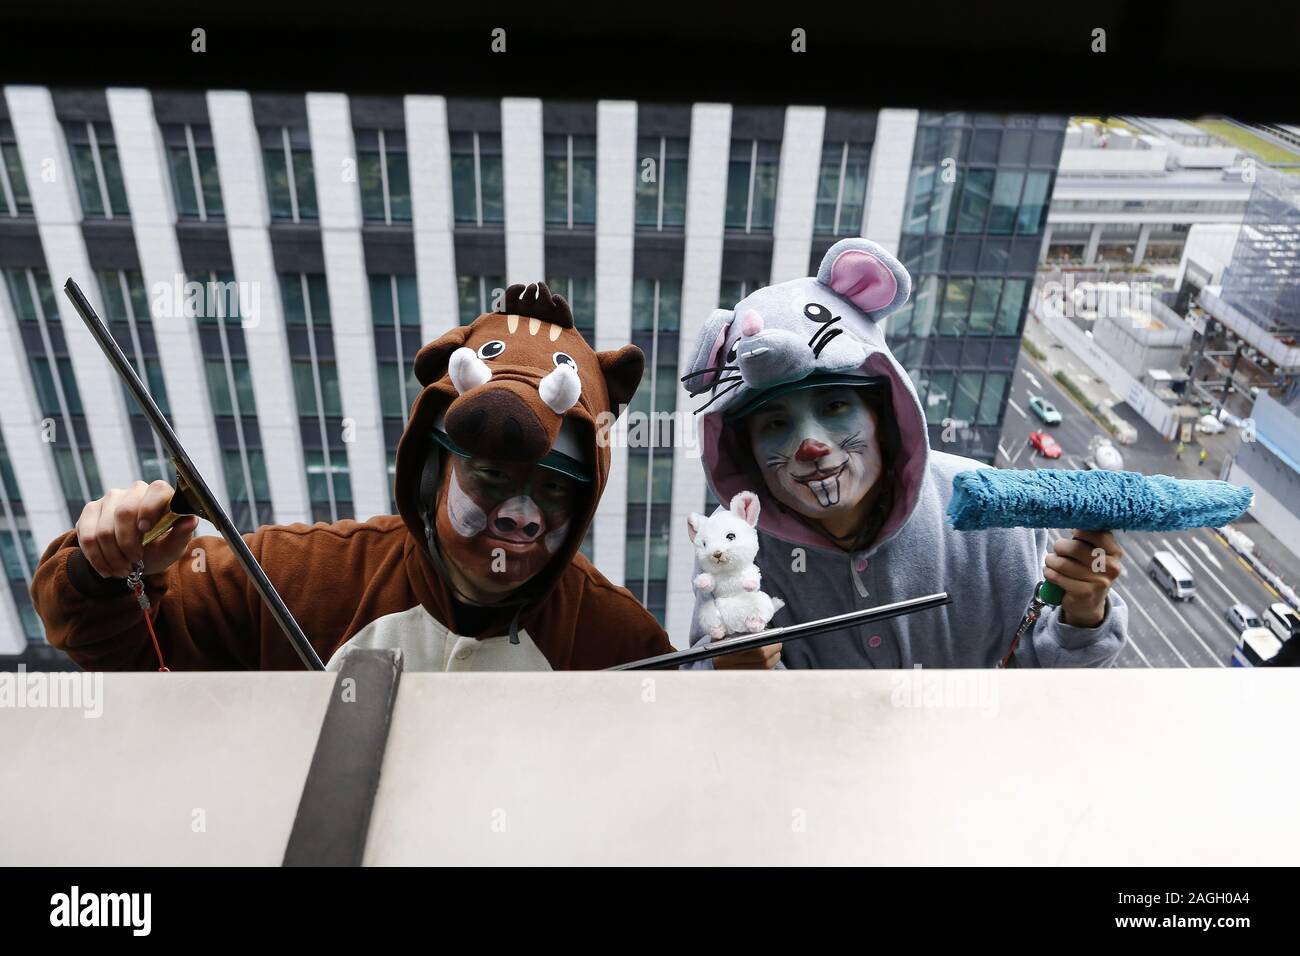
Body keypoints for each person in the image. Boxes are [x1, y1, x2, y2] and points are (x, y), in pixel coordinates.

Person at [31, 282, 672, 671]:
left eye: (555, 486)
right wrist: (104, 568)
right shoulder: (299, 578)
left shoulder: (618, 642)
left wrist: (743, 675)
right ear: (433, 464)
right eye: (490, 474)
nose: (519, 516)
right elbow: (115, 643)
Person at [681, 238, 1128, 669]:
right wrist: (732, 672)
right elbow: (709, 693)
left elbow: (1042, 682)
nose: (810, 445)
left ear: (884, 410)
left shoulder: (994, 520)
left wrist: (1084, 612)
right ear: (747, 450)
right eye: (775, 424)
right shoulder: (735, 547)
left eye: (835, 406)